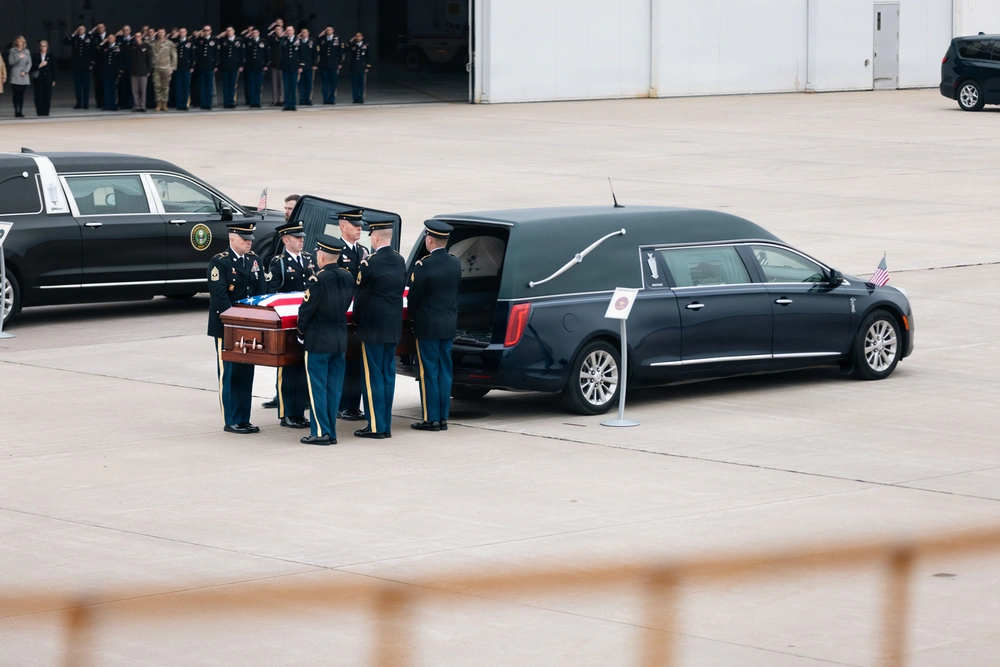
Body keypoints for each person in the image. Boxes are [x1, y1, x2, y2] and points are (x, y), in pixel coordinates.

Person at [207, 221, 267, 435]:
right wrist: (239, 319)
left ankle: (244, 418)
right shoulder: (220, 262)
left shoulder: (254, 260)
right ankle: (232, 419)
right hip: (228, 326)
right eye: (244, 239)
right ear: (232, 239)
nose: (249, 242)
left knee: (246, 373)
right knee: (230, 374)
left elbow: (261, 292)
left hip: (249, 327)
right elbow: (220, 296)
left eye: (251, 239)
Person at [296, 234, 355, 446]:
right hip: (339, 340)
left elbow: (306, 311)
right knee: (333, 388)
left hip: (319, 341)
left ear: (321, 257)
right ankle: (330, 432)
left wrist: (301, 334)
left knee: (317, 388)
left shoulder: (317, 279)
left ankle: (320, 432)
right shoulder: (348, 276)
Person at [352, 221, 405, 439]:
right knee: (387, 376)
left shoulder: (369, 263)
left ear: (374, 238)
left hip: (373, 327)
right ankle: (385, 425)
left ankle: (375, 426)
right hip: (392, 325)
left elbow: (361, 296)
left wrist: (356, 321)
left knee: (372, 376)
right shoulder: (400, 260)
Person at [407, 221, 462, 431]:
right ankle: (443, 417)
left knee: (429, 371)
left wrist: (413, 319)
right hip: (448, 325)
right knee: (445, 370)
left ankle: (431, 419)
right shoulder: (455, 263)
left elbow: (414, 298)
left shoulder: (424, 265)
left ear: (429, 239)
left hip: (428, 326)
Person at [266, 222, 315, 429]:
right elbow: (272, 293)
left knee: (302, 367)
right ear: (286, 240)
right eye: (297, 237)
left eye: (302, 237)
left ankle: (299, 411)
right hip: (287, 323)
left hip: (305, 321)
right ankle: (287, 413)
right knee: (287, 369)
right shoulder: (278, 263)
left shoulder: (309, 260)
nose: (302, 239)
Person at [262, 193, 302, 411]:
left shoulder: (304, 250)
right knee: (285, 362)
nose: (287, 212)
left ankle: (298, 400)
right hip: (287, 316)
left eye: (290, 208)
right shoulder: (280, 236)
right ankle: (284, 401)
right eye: (285, 208)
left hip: (302, 316)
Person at [336, 209, 368, 421]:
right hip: (341, 313)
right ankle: (342, 404)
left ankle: (353, 405)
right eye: (355, 224)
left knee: (356, 360)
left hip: (359, 314)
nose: (360, 228)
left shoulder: (363, 251)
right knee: (344, 361)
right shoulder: (334, 252)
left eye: (360, 224)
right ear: (342, 226)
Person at [63, 25, 93, 109]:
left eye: (82, 29)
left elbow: (92, 51)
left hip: (86, 65)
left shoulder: (89, 38)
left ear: (85, 30)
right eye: (79, 29)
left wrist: (92, 63)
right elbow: (65, 42)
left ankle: (86, 103)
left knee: (86, 86)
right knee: (77, 86)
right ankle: (78, 103)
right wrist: (73, 34)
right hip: (76, 66)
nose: (80, 30)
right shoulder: (75, 38)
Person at [149, 29, 176, 112]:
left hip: (166, 68)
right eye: (159, 32)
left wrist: (172, 67)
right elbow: (144, 43)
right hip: (156, 68)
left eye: (162, 32)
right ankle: (158, 104)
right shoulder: (153, 43)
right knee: (157, 86)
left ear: (165, 33)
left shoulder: (170, 43)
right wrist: (151, 37)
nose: (160, 34)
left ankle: (164, 104)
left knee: (165, 87)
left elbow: (174, 56)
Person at [218, 26, 243, 109]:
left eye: (230, 30)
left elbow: (242, 54)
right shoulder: (223, 40)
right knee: (226, 85)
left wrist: (241, 65)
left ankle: (231, 102)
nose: (229, 32)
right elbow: (215, 41)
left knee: (232, 85)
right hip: (225, 66)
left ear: (234, 31)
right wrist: (221, 35)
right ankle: (226, 102)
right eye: (227, 31)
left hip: (234, 65)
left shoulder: (239, 40)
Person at [194, 26, 218, 110]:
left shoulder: (214, 40)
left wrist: (216, 65)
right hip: (201, 66)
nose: (206, 32)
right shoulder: (200, 40)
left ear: (210, 31)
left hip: (210, 65)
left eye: (207, 30)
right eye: (204, 30)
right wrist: (198, 35)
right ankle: (203, 103)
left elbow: (216, 53)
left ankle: (208, 103)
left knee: (209, 86)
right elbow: (193, 43)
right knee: (202, 86)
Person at [30, 40, 57, 117]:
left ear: (47, 47)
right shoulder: (36, 56)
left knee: (47, 96)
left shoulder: (51, 56)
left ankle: (46, 111)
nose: (43, 47)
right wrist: (40, 65)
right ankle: (39, 111)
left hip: (48, 78)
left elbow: (54, 68)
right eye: (42, 46)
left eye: (45, 46)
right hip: (38, 78)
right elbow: (31, 67)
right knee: (38, 96)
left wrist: (54, 79)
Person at [127, 33, 152, 112]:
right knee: (135, 90)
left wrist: (149, 70)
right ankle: (136, 105)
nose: (137, 38)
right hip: (134, 71)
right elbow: (129, 59)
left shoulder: (146, 46)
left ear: (141, 37)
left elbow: (149, 60)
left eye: (138, 36)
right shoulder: (132, 46)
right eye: (136, 36)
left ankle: (143, 105)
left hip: (143, 71)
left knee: (143, 90)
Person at [97, 34, 123, 111]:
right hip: (106, 72)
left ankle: (114, 104)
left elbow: (121, 60)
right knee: (107, 89)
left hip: (114, 71)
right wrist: (103, 42)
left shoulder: (118, 48)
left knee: (113, 89)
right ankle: (108, 104)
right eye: (108, 38)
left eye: (111, 38)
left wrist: (120, 71)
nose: (110, 39)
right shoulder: (105, 47)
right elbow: (97, 48)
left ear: (115, 39)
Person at [279, 26, 302, 111]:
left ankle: (293, 104)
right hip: (286, 66)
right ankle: (287, 104)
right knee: (286, 87)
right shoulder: (283, 40)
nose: (289, 32)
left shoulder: (298, 40)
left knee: (293, 86)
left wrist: (301, 65)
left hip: (295, 66)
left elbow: (301, 53)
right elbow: (280, 52)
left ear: (294, 31)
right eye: (287, 30)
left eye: (290, 30)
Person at [243, 28, 268, 108]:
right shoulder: (249, 42)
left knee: (258, 85)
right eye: (253, 33)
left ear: (259, 33)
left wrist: (266, 65)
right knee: (251, 85)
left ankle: (257, 102)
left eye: (256, 32)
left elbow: (267, 53)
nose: (254, 34)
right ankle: (252, 102)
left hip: (260, 66)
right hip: (250, 66)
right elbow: (245, 52)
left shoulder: (263, 41)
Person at [7, 36, 30, 118]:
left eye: (21, 41)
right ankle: (16, 110)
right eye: (18, 41)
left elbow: (29, 63)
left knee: (21, 94)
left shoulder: (27, 51)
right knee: (15, 94)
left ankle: (20, 110)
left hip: (24, 74)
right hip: (15, 73)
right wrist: (18, 57)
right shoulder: (12, 50)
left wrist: (25, 71)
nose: (19, 43)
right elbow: (10, 62)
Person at [317, 26, 342, 104]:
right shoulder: (322, 39)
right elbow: (316, 46)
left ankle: (331, 99)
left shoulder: (337, 39)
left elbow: (340, 52)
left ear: (333, 30)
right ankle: (325, 99)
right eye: (327, 30)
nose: (328, 31)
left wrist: (340, 62)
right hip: (324, 64)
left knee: (333, 83)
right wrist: (319, 36)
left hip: (333, 64)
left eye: (330, 30)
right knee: (324, 83)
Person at [173, 27, 194, 110]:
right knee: (178, 87)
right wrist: (175, 36)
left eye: (183, 32)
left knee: (185, 86)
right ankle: (179, 104)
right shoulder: (176, 42)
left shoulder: (189, 42)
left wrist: (192, 66)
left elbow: (193, 55)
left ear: (186, 33)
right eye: (180, 32)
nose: (182, 34)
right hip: (178, 67)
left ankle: (185, 104)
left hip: (186, 67)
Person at [347, 32, 370, 104]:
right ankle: (355, 98)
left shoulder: (365, 46)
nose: (358, 38)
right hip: (354, 67)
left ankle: (361, 98)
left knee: (361, 84)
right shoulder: (353, 46)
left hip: (362, 67)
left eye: (359, 36)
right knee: (354, 84)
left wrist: (367, 66)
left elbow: (368, 57)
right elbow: (346, 47)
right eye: (356, 36)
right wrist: (351, 40)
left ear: (362, 37)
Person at [89, 23, 108, 108]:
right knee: (98, 85)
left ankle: (107, 102)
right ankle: (99, 102)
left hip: (107, 64)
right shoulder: (94, 37)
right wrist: (92, 31)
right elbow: (86, 37)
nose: (100, 29)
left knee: (107, 84)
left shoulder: (109, 36)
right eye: (98, 28)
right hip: (97, 65)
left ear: (105, 28)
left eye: (101, 27)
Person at [267, 19, 284, 106]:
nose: (278, 31)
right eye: (277, 30)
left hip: (282, 64)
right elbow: (267, 38)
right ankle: (275, 100)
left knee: (282, 83)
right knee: (274, 83)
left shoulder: (284, 39)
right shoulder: (273, 39)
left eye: (280, 30)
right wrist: (272, 30)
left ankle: (281, 100)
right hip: (274, 63)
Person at [297, 28, 317, 105]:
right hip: (300, 67)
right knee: (301, 83)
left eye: (305, 32)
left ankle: (308, 99)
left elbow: (316, 53)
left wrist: (315, 64)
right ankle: (302, 99)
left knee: (309, 83)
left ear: (308, 33)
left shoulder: (312, 41)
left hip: (309, 66)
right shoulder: (298, 41)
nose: (304, 33)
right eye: (302, 32)